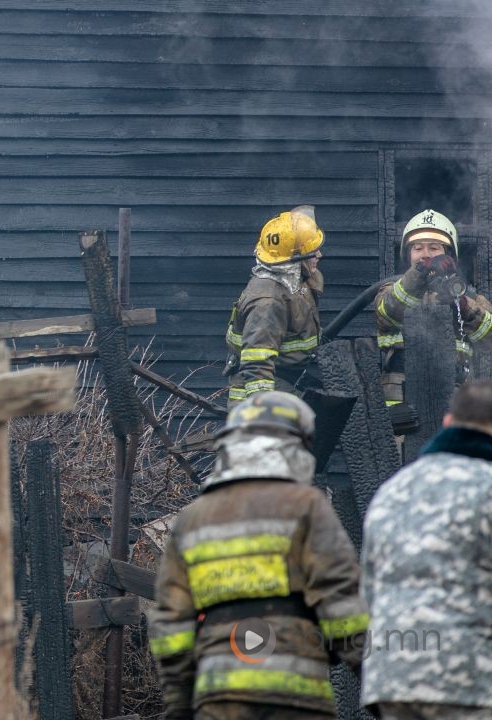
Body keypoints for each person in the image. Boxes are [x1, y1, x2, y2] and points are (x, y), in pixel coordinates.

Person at [149, 392, 367, 720]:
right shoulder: (305, 506)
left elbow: (171, 626)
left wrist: (180, 705)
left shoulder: (193, 518)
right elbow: (342, 605)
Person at [360, 380, 492, 720]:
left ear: (447, 423)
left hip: (391, 679)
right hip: (467, 679)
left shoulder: (393, 490)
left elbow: (368, 592)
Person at [374, 209, 492, 408]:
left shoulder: (470, 297)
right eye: (417, 248)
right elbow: (388, 314)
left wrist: (463, 306)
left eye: (434, 248)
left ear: (449, 255)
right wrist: (420, 273)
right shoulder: (390, 290)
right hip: (401, 407)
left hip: (454, 404)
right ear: (408, 254)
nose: (425, 255)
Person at [224, 206, 325, 408]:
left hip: (284, 383)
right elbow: (257, 365)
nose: (319, 255)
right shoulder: (268, 301)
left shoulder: (295, 283)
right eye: (312, 252)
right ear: (293, 261)